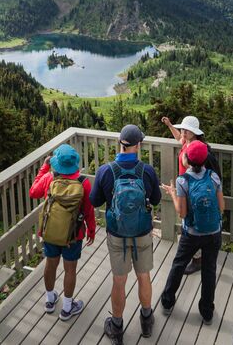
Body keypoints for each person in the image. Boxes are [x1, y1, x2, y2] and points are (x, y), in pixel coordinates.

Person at [90, 125, 162, 345]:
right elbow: (156, 199)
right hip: (142, 231)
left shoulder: (106, 170)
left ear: (120, 143)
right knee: (144, 276)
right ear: (138, 145)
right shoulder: (146, 171)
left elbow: (95, 201)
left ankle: (117, 325)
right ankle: (147, 319)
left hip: (117, 233)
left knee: (119, 280)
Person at [159, 141, 224, 325]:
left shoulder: (183, 181)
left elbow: (182, 212)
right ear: (205, 160)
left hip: (192, 234)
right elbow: (221, 207)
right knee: (209, 270)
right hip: (213, 232)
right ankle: (207, 312)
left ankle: (168, 301)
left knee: (179, 263)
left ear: (186, 160)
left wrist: (172, 193)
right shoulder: (213, 177)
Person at [29, 143, 96, 321]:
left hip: (51, 232)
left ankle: (50, 300)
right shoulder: (83, 183)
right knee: (70, 269)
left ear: (56, 163)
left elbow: (33, 192)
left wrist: (44, 167)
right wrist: (92, 230)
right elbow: (88, 210)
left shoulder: (49, 178)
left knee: (50, 264)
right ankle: (67, 308)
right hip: (73, 235)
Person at [161, 115, 220, 275]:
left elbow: (200, 169)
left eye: (187, 130)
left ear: (195, 132)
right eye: (183, 129)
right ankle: (198, 255)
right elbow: (178, 138)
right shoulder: (187, 142)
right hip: (186, 186)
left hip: (193, 189)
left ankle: (197, 259)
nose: (183, 132)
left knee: (190, 221)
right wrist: (170, 125)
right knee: (189, 221)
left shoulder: (197, 148)